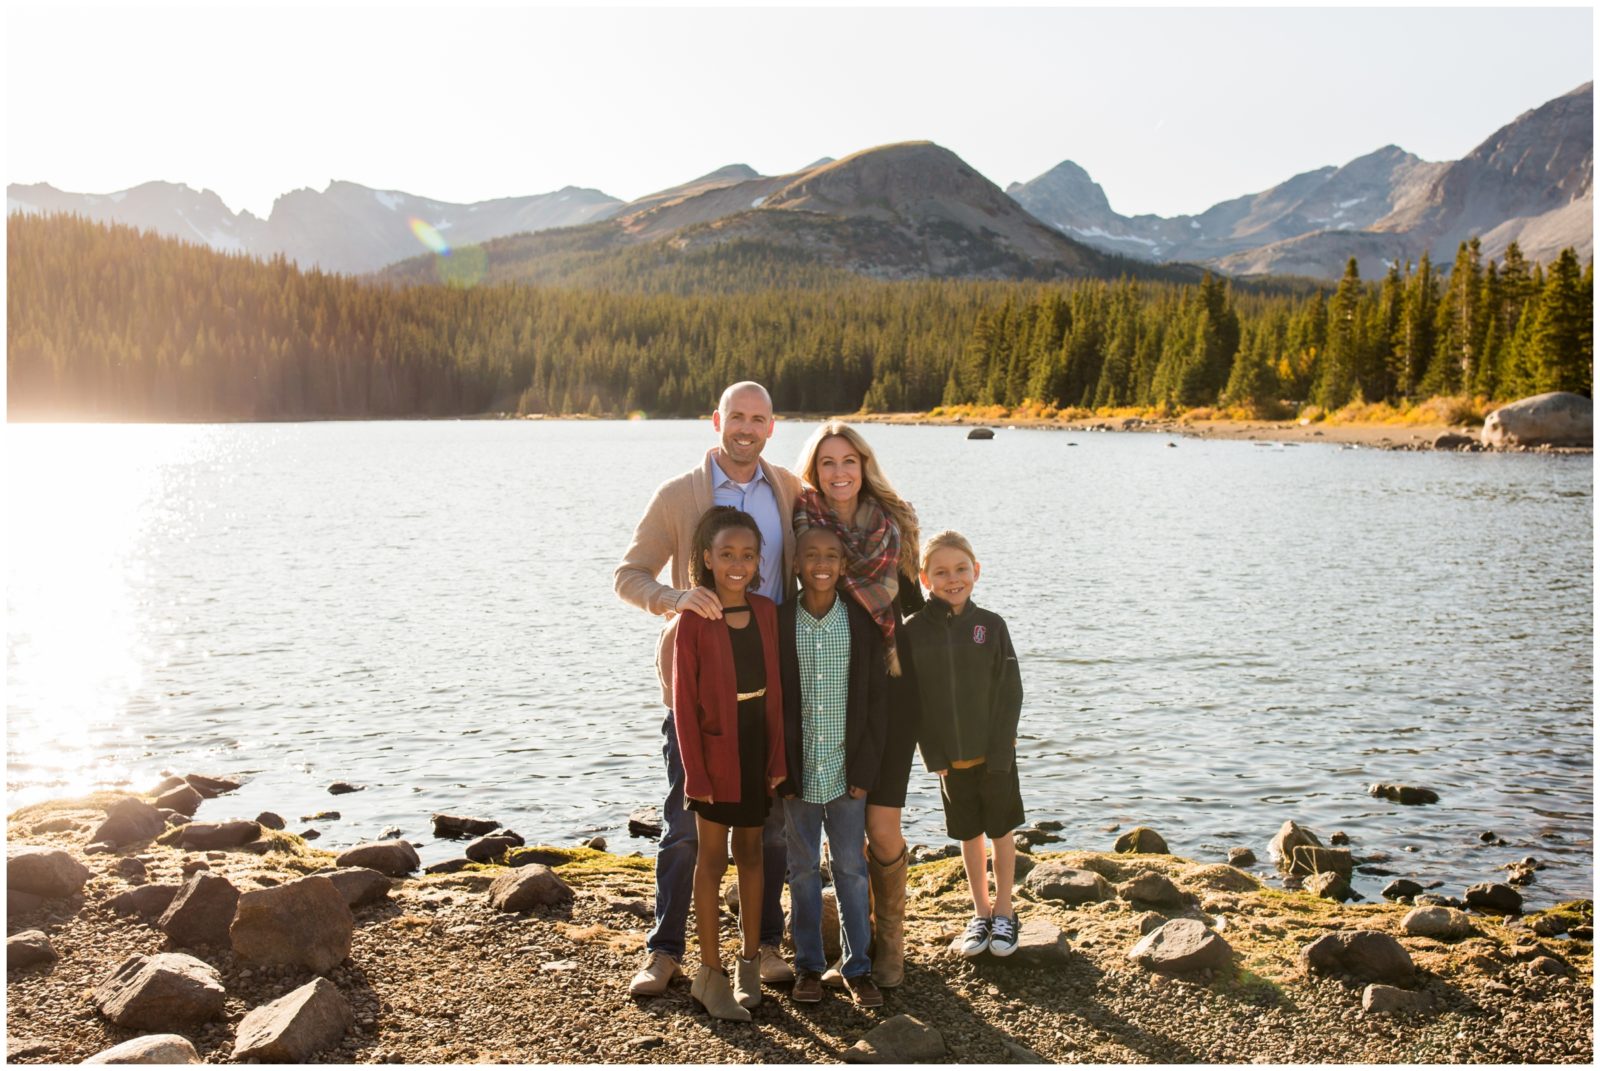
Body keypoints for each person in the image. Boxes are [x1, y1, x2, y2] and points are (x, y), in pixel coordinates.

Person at [614, 382, 801, 998]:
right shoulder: (678, 495)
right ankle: (666, 951)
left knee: (769, 826)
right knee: (686, 823)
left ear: (772, 427)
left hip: (766, 683)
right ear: (717, 420)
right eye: (737, 417)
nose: (746, 428)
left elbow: (830, 549)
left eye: (759, 419)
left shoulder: (787, 490)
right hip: (698, 690)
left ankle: (764, 945)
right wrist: (672, 600)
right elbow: (628, 574)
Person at [791, 420, 921, 988]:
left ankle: (887, 942)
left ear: (864, 465)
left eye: (849, 460)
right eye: (827, 462)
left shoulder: (895, 524)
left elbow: (918, 609)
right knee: (829, 832)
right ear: (814, 472)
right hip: (828, 698)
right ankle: (848, 943)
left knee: (882, 824)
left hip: (891, 686)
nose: (839, 472)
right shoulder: (802, 529)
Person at [674, 507, 787, 1020]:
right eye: (727, 555)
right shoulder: (694, 619)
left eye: (747, 554)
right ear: (707, 558)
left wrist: (778, 756)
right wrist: (695, 774)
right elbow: (684, 704)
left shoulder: (766, 611)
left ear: (759, 559)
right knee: (712, 860)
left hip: (756, 748)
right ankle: (709, 974)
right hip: (715, 756)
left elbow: (779, 693)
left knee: (755, 854)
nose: (737, 564)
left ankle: (747, 965)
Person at [776, 526, 888, 1008]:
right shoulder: (780, 623)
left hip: (847, 776)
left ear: (843, 566)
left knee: (850, 869)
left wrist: (866, 770)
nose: (821, 563)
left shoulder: (860, 624)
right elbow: (773, 704)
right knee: (801, 871)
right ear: (796, 564)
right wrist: (779, 769)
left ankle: (857, 967)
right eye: (811, 555)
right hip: (798, 777)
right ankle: (806, 966)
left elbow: (877, 704)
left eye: (831, 556)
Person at [902, 529, 1026, 958]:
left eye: (960, 569)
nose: (952, 578)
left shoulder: (991, 626)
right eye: (941, 572)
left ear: (975, 571)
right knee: (968, 834)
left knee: (1001, 830)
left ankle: (1006, 911)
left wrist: (1002, 750)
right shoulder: (914, 630)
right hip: (950, 760)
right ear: (924, 578)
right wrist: (932, 754)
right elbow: (913, 700)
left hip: (995, 755)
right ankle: (981, 911)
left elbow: (1011, 690)